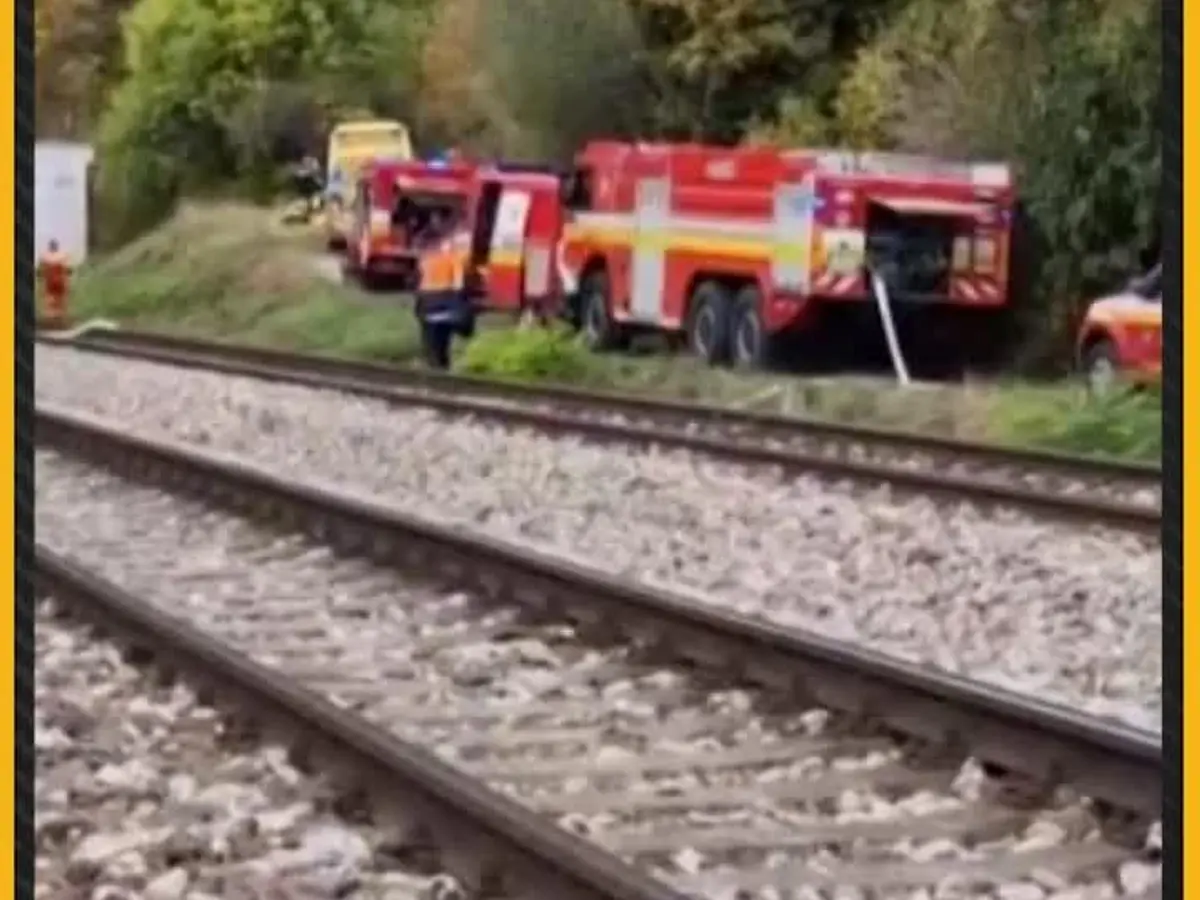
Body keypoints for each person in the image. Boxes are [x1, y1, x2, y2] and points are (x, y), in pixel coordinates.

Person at [414, 234, 480, 370]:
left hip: (426, 305)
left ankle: (432, 363)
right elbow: (458, 285)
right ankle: (443, 364)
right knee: (446, 337)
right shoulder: (455, 259)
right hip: (446, 302)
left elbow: (418, 281)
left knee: (431, 342)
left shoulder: (427, 260)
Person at [37, 239, 71, 327]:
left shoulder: (44, 257)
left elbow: (41, 272)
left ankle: (50, 322)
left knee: (49, 302)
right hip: (60, 282)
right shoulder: (63, 256)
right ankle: (61, 322)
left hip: (50, 283)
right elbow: (67, 271)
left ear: (50, 247)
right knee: (61, 302)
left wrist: (41, 284)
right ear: (57, 247)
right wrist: (67, 284)